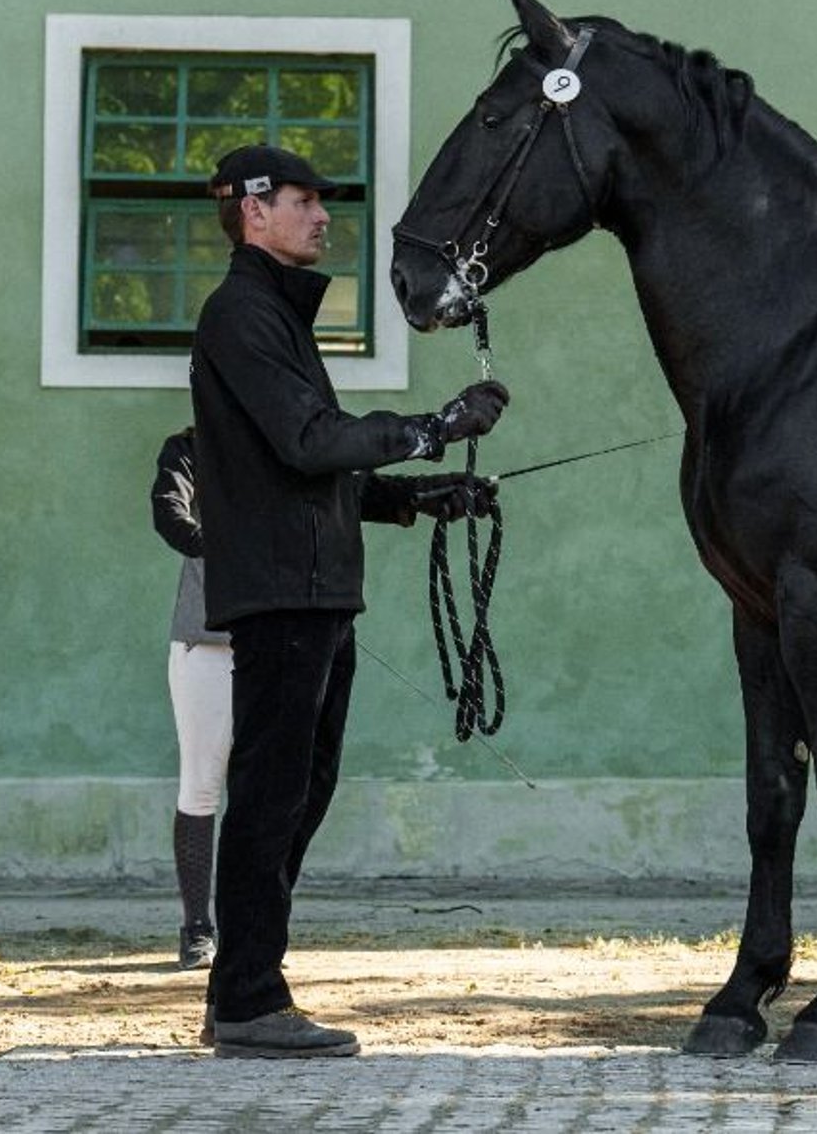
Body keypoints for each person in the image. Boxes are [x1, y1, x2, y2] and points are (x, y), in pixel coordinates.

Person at [191, 143, 508, 1059]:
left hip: (314, 593)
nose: (324, 216)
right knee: (271, 795)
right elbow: (308, 440)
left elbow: (306, 467)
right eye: (304, 201)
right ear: (254, 210)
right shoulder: (242, 313)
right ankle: (248, 999)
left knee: (298, 793)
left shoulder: (273, 315)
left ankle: (245, 989)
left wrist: (416, 496)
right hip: (284, 596)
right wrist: (432, 428)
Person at [150, 426, 230, 972]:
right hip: (206, 639)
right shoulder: (191, 448)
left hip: (279, 637)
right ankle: (197, 927)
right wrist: (219, 549)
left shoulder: (289, 439)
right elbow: (170, 512)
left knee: (269, 789)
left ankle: (253, 926)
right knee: (201, 784)